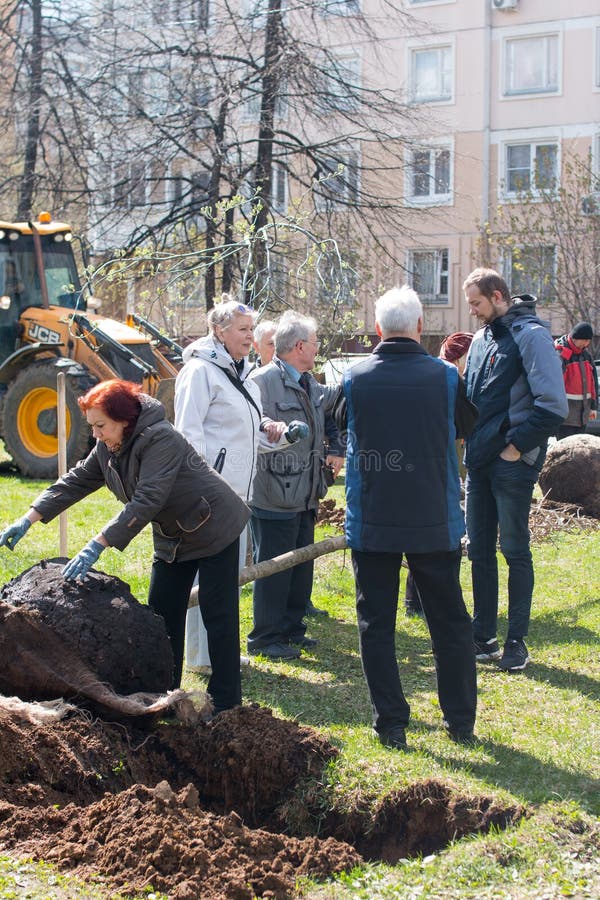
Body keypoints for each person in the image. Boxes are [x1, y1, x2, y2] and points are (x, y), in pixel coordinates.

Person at [0, 379, 250, 714]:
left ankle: (226, 702)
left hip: (214, 524)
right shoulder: (109, 447)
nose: (95, 435)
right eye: (92, 427)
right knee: (162, 615)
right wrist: (28, 518)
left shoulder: (162, 439)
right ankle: (163, 694)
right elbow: (75, 481)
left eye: (100, 426)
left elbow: (147, 500)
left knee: (218, 615)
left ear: (124, 420)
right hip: (173, 535)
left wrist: (97, 544)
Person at [333, 285, 479, 749]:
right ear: (419, 327)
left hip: (374, 518)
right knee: (449, 622)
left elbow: (337, 422)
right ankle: (460, 722)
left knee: (376, 623)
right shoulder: (445, 377)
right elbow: (466, 426)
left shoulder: (354, 377)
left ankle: (391, 722)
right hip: (432, 517)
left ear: (378, 329)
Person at [174, 298, 299, 671]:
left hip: (238, 496)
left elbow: (253, 434)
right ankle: (200, 657)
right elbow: (187, 435)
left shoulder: (242, 374)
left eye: (252, 329)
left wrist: (281, 435)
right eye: (244, 330)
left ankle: (217, 651)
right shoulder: (200, 372)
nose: (252, 336)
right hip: (209, 495)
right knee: (205, 577)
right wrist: (201, 488)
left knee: (225, 579)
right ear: (219, 330)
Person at [462, 269, 568, 672]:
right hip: (478, 462)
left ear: (498, 295)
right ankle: (483, 638)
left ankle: (515, 643)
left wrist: (515, 448)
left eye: (476, 303)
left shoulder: (532, 335)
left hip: (510, 465)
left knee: (514, 550)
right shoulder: (481, 338)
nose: (471, 311)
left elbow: (552, 406)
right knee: (479, 553)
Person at [247, 310, 342, 660]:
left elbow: (332, 407)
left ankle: (291, 629)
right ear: (299, 345)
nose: (317, 349)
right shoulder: (261, 381)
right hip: (274, 492)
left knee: (301, 566)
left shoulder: (308, 382)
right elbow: (256, 427)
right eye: (315, 343)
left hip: (304, 493)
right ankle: (264, 637)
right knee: (274, 568)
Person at [404, 330, 474, 618]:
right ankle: (418, 601)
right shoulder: (445, 379)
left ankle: (419, 602)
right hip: (437, 471)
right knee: (434, 539)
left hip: (447, 471)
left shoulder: (447, 378)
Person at [554, 322, 598, 439]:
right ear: (575, 338)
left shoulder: (586, 355)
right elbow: (554, 385)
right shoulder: (561, 354)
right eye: (585, 340)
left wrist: (593, 407)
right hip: (565, 417)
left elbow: (593, 383)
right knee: (565, 452)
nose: (587, 343)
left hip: (583, 415)